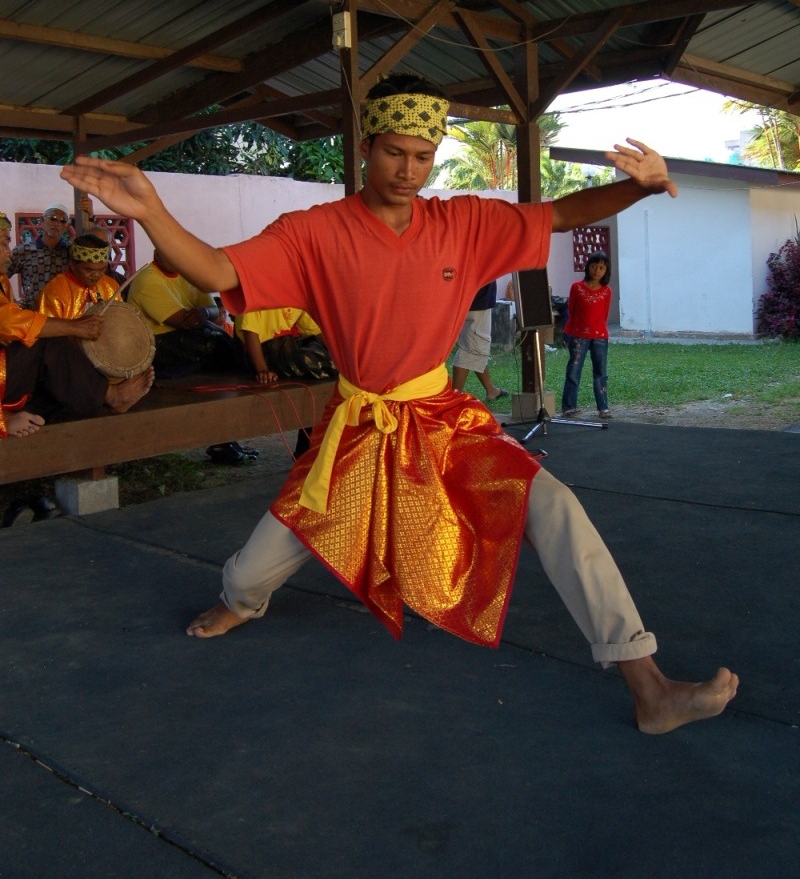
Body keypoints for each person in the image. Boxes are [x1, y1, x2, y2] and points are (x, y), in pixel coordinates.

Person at [60, 75, 738, 734]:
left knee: (553, 505)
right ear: (366, 147)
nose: (408, 169)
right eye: (393, 151)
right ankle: (239, 600)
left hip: (445, 422)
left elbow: (559, 214)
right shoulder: (314, 231)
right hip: (359, 427)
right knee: (254, 568)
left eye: (422, 155)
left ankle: (649, 685)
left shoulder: (464, 224)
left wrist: (637, 188)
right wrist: (150, 212)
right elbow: (216, 270)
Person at [0, 213, 153, 439]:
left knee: (61, 381)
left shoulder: (2, 281)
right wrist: (74, 328)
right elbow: (8, 322)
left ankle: (25, 412)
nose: (9, 251)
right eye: (3, 243)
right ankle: (111, 396)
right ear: (73, 265)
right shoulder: (55, 290)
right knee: (53, 345)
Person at [127, 250, 242, 378]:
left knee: (225, 340)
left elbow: (214, 311)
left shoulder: (189, 274)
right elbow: (185, 321)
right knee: (214, 346)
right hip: (153, 341)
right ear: (157, 255)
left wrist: (205, 312)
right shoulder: (148, 279)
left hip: (188, 330)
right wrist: (204, 314)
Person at [235, 307, 333, 457]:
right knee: (316, 364)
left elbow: (315, 331)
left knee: (330, 366)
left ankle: (306, 449)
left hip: (287, 347)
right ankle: (306, 452)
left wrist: (337, 352)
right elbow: (250, 333)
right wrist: (262, 370)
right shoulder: (257, 291)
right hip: (264, 352)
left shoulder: (293, 291)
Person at [560, 252, 613, 420]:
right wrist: (568, 334)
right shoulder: (577, 287)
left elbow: (604, 315)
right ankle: (569, 407)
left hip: (599, 337)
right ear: (587, 266)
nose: (597, 270)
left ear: (606, 271)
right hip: (578, 336)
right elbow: (572, 312)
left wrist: (600, 332)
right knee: (574, 371)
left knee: (600, 372)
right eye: (594, 266)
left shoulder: (607, 291)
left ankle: (603, 407)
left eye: (601, 268)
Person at [7, 201, 73, 309]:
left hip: (64, 315)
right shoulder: (23, 250)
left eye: (63, 221)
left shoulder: (71, 252)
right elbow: (2, 274)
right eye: (53, 218)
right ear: (42, 220)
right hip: (32, 315)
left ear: (66, 226)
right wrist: (10, 303)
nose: (57, 223)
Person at [36, 234, 120, 318]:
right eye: (89, 270)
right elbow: (48, 328)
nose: (96, 275)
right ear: (72, 265)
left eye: (102, 269)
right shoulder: (54, 291)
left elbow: (120, 320)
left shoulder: (111, 286)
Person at [451, 281, 509, 403]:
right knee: (472, 349)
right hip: (477, 298)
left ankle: (491, 390)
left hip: (468, 296)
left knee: (476, 346)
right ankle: (453, 399)